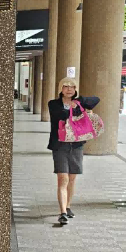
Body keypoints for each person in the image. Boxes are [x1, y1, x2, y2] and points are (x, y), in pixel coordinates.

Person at [47, 78, 100, 226]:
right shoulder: (53, 104)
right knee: (62, 178)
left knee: (72, 179)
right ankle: (62, 212)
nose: (69, 89)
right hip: (60, 146)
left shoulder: (79, 103)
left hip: (76, 146)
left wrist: (78, 101)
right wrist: (73, 108)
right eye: (66, 86)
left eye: (72, 86)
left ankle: (68, 206)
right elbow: (62, 116)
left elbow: (96, 99)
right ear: (60, 88)